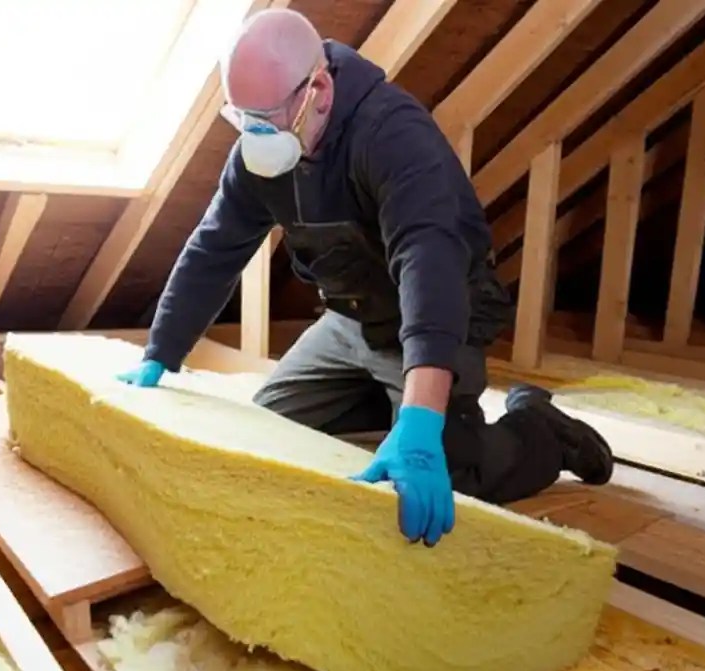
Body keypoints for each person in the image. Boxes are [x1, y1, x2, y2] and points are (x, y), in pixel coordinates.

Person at [116, 9, 613, 546]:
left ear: (320, 90)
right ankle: (386, 399)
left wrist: (422, 424)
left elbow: (429, 261)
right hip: (350, 319)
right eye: (244, 119)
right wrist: (160, 352)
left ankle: (541, 429)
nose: (257, 136)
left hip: (440, 312)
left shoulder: (392, 133)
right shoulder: (258, 155)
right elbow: (214, 247)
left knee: (450, 475)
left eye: (269, 120)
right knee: (266, 430)